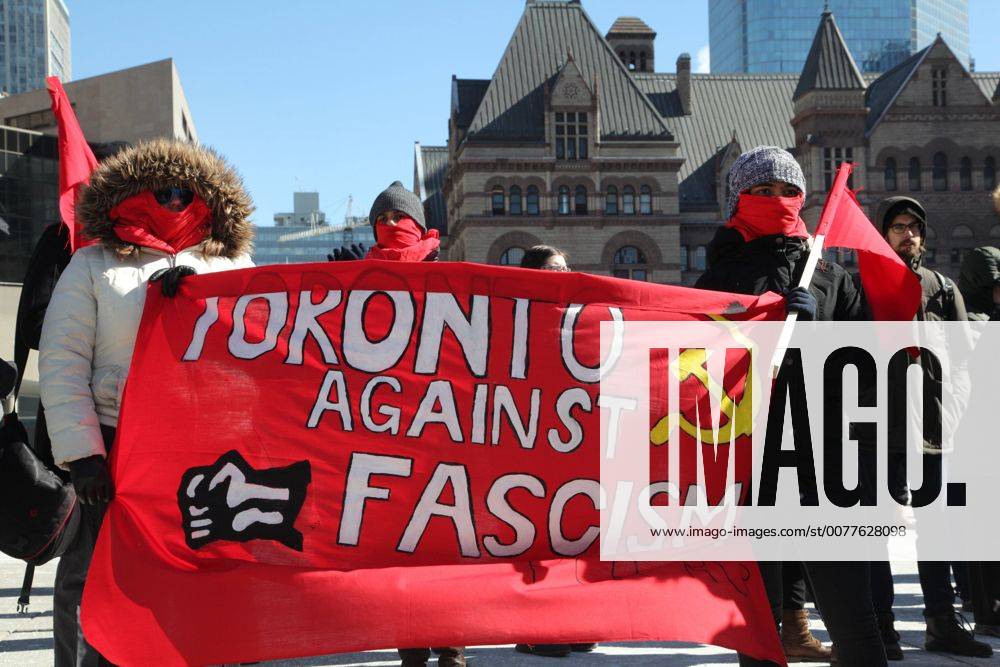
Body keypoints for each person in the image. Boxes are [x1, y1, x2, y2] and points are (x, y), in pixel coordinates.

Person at [39, 139, 255, 666]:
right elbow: (63, 361)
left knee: (205, 577)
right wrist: (84, 455)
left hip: (205, 449)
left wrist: (202, 298)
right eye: (162, 192)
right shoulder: (92, 263)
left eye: (184, 192)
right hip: (116, 446)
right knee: (96, 580)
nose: (174, 201)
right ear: (133, 193)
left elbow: (262, 351)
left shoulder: (233, 262)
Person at [696, 146, 885, 666]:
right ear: (738, 199)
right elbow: (692, 372)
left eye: (788, 191)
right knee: (757, 623)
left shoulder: (831, 278)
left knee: (853, 617)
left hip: (821, 465)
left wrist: (819, 334)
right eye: (762, 191)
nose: (777, 200)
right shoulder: (716, 281)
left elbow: (867, 371)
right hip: (749, 466)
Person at [333, 180, 465, 667]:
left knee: (443, 544)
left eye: (398, 218)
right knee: (398, 545)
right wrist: (337, 285)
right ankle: (410, 644)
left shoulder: (452, 275)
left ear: (417, 223)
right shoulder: (358, 275)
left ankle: (451, 646)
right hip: (384, 433)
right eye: (381, 220)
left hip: (442, 431)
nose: (390, 226)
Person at [865, 196, 992, 659]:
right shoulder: (861, 286)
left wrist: (951, 411)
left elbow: (962, 360)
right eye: (898, 227)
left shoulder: (942, 288)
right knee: (875, 529)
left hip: (932, 432)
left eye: (915, 227)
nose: (908, 234)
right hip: (878, 431)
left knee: (938, 529)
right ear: (883, 234)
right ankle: (881, 627)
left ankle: (942, 622)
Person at [511, 245, 597, 660]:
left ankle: (573, 622)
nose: (561, 275)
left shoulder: (581, 317)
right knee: (534, 537)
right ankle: (536, 629)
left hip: (570, 443)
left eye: (565, 268)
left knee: (573, 531)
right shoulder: (512, 316)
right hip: (527, 443)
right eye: (551, 270)